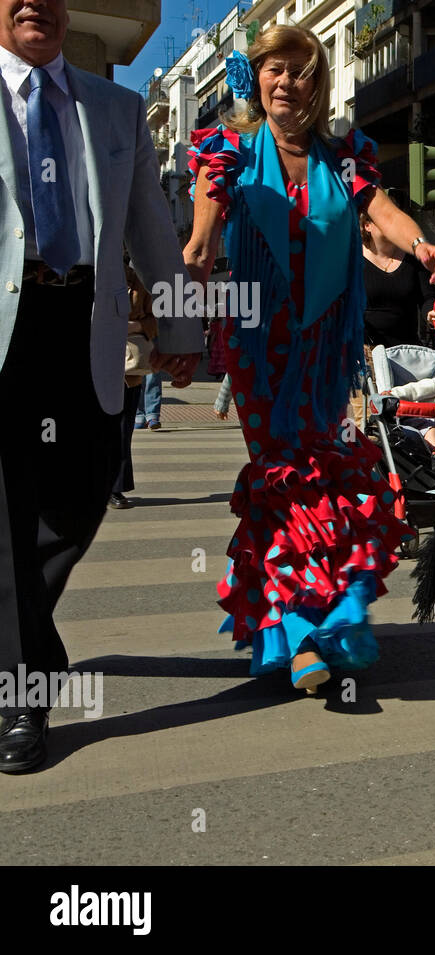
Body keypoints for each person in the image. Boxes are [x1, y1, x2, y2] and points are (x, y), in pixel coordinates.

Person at [185, 24, 435, 693]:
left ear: (316, 84)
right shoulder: (231, 150)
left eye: (301, 71)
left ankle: (318, 618)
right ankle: (306, 628)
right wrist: (188, 266)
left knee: (329, 476)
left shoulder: (343, 155)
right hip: (259, 341)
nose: (287, 82)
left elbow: (381, 210)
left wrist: (422, 244)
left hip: (329, 343)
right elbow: (204, 231)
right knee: (285, 475)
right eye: (275, 69)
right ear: (259, 77)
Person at [0, 0, 203, 773]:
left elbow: (152, 227)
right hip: (3, 333)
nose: (33, 5)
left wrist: (181, 330)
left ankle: (20, 640)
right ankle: (20, 694)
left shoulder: (114, 109)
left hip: (82, 324)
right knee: (7, 510)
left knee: (82, 494)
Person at [360, 203, 435, 348]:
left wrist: (431, 312)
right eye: (384, 219)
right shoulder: (353, 260)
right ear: (367, 226)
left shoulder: (413, 257)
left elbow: (427, 297)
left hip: (406, 351)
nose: (390, 225)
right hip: (366, 351)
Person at [111, 266, 159, 509]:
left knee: (122, 431)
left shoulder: (141, 280)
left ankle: (115, 488)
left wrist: (135, 327)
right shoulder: (91, 275)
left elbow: (155, 320)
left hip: (129, 371)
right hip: (96, 362)